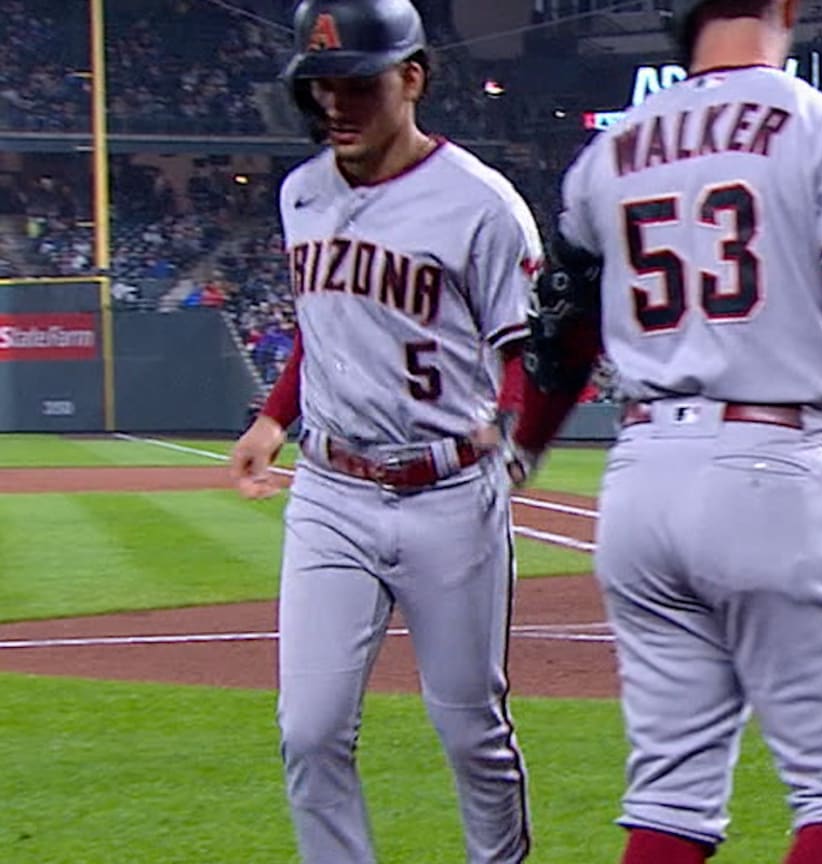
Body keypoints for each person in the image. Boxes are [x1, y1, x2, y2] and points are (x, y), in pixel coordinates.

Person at [506, 1, 822, 861]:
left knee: (668, 804)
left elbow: (563, 337)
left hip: (639, 478)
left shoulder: (607, 154)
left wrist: (520, 449)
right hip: (774, 463)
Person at [228, 2, 536, 860]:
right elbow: (323, 324)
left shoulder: (482, 205)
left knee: (471, 731)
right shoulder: (300, 192)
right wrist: (273, 417)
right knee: (310, 730)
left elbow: (525, 348)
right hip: (330, 490)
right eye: (320, 86)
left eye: (356, 83)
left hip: (447, 493)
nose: (335, 103)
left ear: (411, 77)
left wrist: (508, 431)